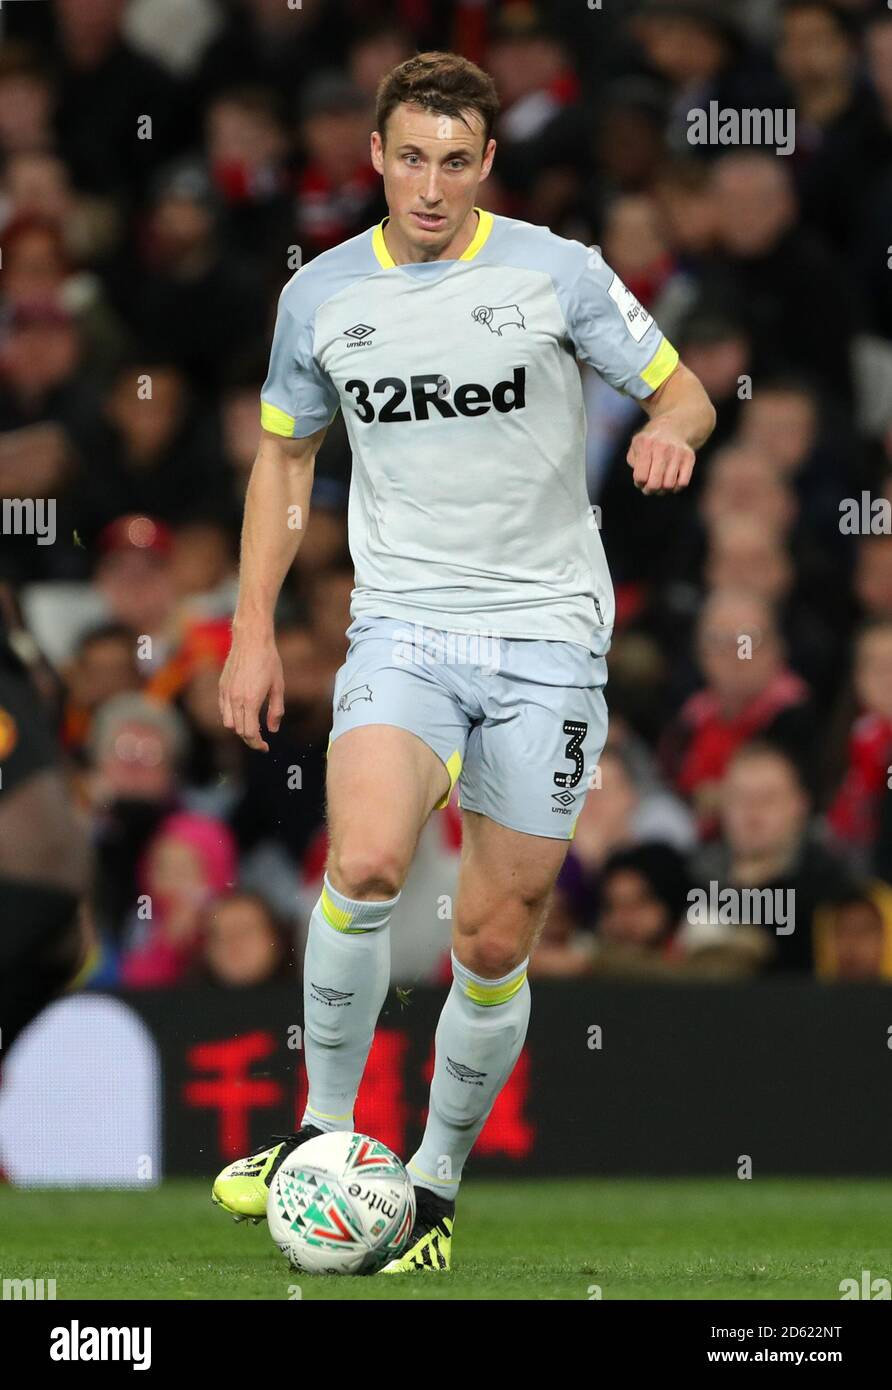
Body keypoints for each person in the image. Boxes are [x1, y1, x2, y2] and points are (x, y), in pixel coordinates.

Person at [213, 51, 714, 1272]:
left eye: (454, 161)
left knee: (491, 940)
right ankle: (322, 1134)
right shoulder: (321, 296)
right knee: (371, 855)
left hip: (548, 638)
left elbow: (688, 391)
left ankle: (432, 1185)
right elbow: (285, 463)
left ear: (486, 163)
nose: (429, 187)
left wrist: (667, 430)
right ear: (374, 159)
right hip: (404, 625)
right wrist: (249, 629)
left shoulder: (558, 272)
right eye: (408, 159)